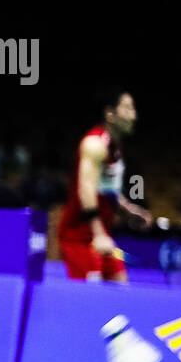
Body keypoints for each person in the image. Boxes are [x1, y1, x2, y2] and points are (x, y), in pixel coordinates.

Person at [57, 89, 153, 281]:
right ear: (110, 114)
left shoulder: (114, 147)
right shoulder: (94, 144)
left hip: (101, 236)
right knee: (91, 300)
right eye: (127, 108)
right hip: (80, 237)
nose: (133, 115)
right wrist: (98, 234)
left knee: (121, 287)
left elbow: (107, 189)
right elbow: (86, 189)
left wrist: (128, 209)